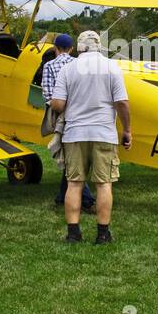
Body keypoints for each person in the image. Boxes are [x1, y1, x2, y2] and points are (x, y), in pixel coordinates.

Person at [49, 30, 132, 244]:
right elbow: (122, 103)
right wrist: (127, 130)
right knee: (104, 184)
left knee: (74, 183)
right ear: (99, 46)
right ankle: (103, 234)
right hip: (104, 132)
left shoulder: (67, 69)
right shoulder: (112, 67)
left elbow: (57, 104)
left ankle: (73, 233)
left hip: (74, 133)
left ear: (78, 47)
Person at [40, 34, 95, 211]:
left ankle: (86, 201)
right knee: (70, 157)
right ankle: (62, 196)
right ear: (72, 49)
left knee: (70, 159)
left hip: (62, 116)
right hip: (83, 113)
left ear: (55, 48)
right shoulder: (80, 65)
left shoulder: (49, 65)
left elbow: (48, 95)